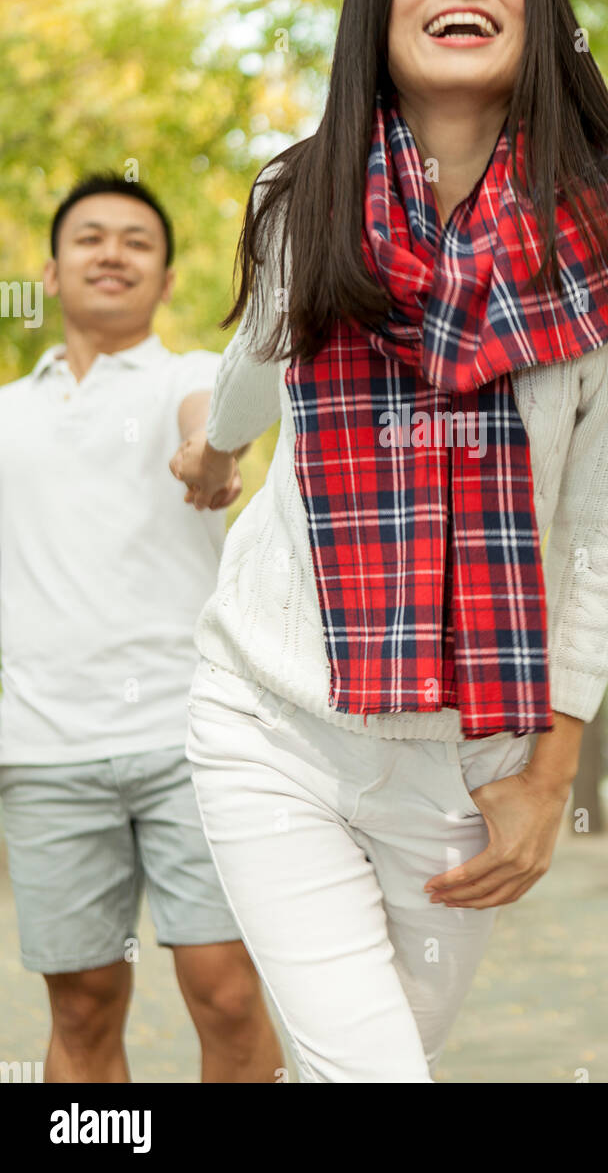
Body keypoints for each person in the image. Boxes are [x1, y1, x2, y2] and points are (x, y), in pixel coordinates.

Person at [173, 0, 608, 1084]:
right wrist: (212, 451)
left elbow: (595, 529)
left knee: (370, 1061)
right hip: (268, 714)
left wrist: (546, 775)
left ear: (540, 13)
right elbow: (255, 367)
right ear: (379, 4)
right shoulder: (299, 196)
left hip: (468, 759)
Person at [0, 173, 282, 1082]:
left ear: (164, 280)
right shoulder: (6, 415)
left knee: (229, 991)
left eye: (136, 241)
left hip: (189, 740)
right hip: (43, 752)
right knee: (80, 1006)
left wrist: (212, 456)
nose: (112, 253)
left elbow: (214, 427)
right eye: (89, 238)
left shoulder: (191, 376)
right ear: (49, 271)